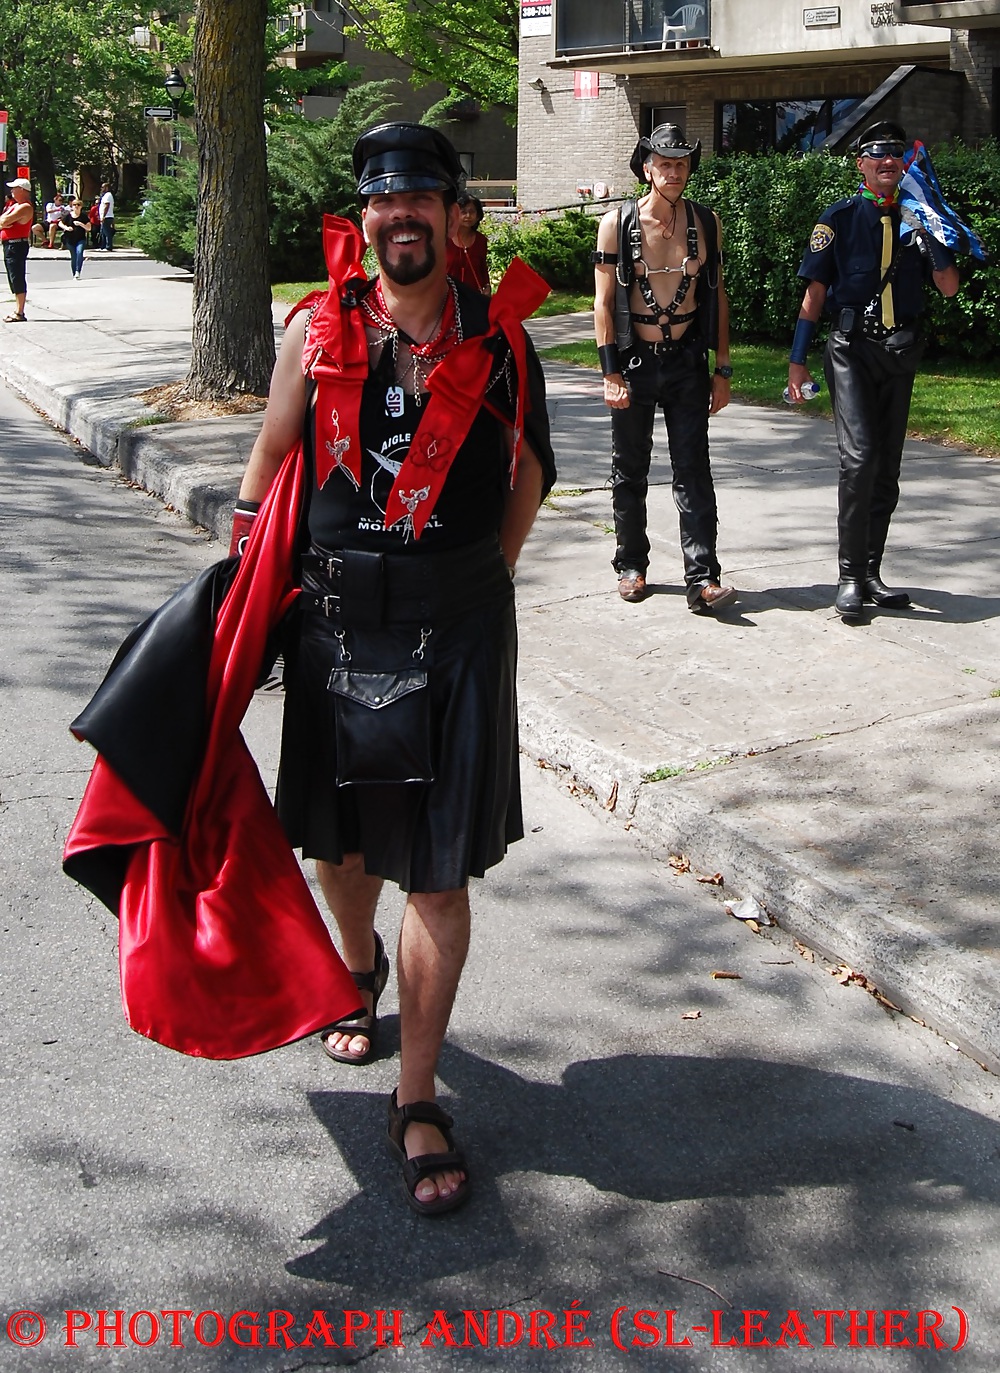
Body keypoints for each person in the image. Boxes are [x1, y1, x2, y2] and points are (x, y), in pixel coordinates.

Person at [230, 122, 555, 1215]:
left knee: (438, 872)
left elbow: (530, 472)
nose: (401, 214)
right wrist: (237, 581)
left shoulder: (501, 340)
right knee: (344, 842)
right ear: (364, 217)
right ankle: (356, 960)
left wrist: (482, 579)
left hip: (457, 632)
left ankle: (417, 1099)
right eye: (383, 198)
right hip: (334, 626)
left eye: (422, 197)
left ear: (456, 217)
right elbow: (272, 453)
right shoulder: (315, 329)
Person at [787, 121, 960, 622]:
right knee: (859, 460)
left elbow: (948, 286)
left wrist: (929, 233)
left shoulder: (918, 218)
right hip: (851, 350)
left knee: (886, 468)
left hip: (900, 353)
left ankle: (870, 573)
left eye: (896, 155)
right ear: (861, 164)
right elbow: (814, 296)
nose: (888, 162)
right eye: (878, 155)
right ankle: (847, 576)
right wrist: (797, 362)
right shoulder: (839, 219)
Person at [594, 122, 736, 610]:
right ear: (647, 168)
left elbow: (717, 295)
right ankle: (631, 565)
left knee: (693, 469)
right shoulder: (617, 223)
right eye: (665, 163)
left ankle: (704, 578)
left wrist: (723, 368)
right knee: (629, 469)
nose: (674, 172)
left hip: (686, 363)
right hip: (634, 362)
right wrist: (610, 373)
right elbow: (603, 302)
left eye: (681, 164)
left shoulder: (706, 222)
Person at [1, 178, 34, 322]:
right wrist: (4, 221)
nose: (12, 191)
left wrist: (5, 221)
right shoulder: (15, 205)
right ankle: (17, 309)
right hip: (9, 244)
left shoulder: (25, 207)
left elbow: (3, 221)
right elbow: (2, 221)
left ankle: (20, 312)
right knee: (12, 277)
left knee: (17, 277)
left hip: (16, 245)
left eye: (14, 188)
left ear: (22, 190)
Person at [446, 191, 490, 295]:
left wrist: (487, 286)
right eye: (463, 212)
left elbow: (482, 268)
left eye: (472, 212)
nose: (468, 216)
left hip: (473, 297)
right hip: (448, 296)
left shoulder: (481, 240)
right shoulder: (444, 239)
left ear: (478, 215)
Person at [61, 198, 89, 279]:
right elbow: (60, 223)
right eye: (74, 205)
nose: (76, 206)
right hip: (69, 239)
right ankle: (74, 273)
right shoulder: (68, 215)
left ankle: (77, 271)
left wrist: (81, 224)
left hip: (81, 239)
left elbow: (89, 228)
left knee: (79, 252)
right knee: (73, 256)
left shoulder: (83, 216)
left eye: (78, 205)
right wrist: (66, 228)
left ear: (81, 206)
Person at [98, 182, 115, 251]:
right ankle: (103, 246)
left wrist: (103, 216)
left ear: (107, 188)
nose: (101, 189)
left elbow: (107, 206)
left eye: (103, 187)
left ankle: (108, 246)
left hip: (107, 217)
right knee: (103, 232)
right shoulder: (105, 195)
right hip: (105, 216)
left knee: (107, 232)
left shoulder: (108, 195)